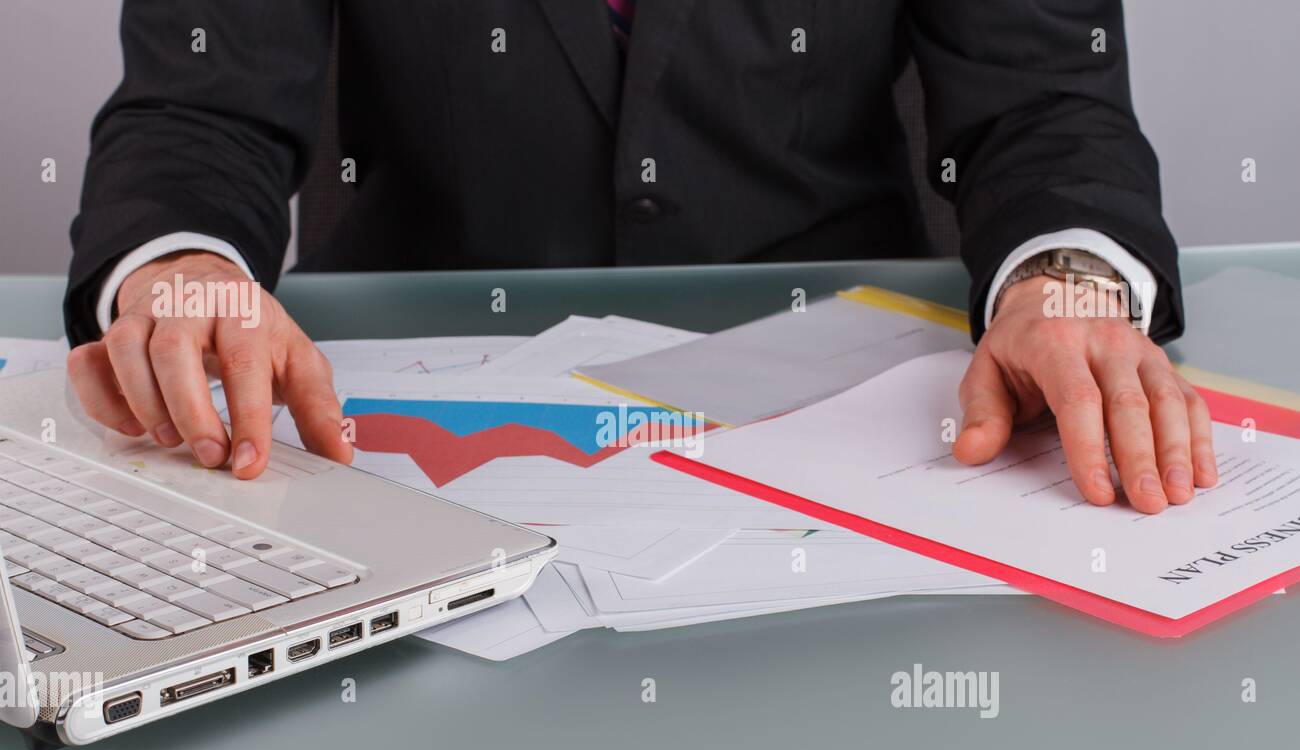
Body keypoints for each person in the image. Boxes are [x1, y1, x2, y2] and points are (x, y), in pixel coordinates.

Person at [64, 0, 1215, 515]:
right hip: (404, 428)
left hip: (857, 420)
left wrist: (1066, 278)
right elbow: (195, 108)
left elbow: (1047, 102)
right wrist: (182, 270)